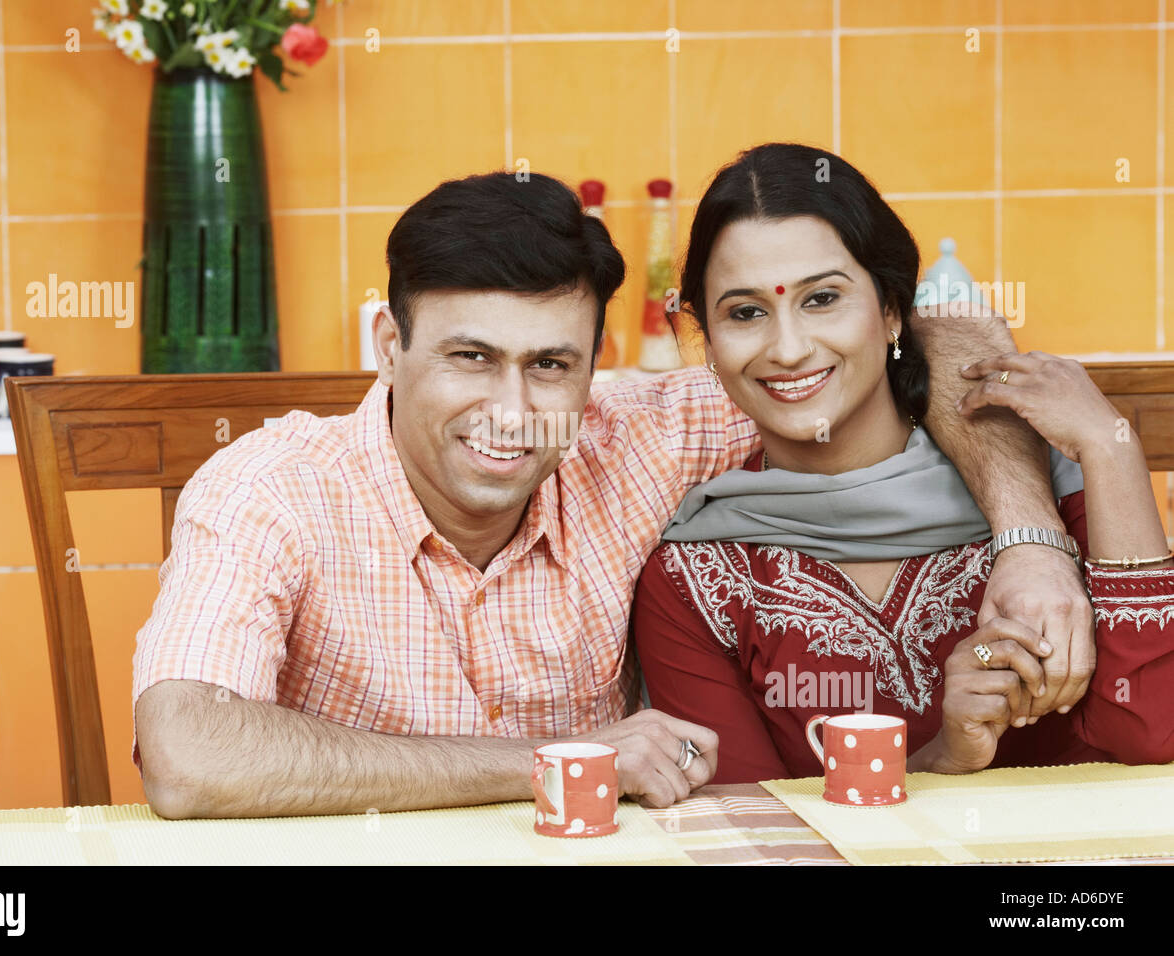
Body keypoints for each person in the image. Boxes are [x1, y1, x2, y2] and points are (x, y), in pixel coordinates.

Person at [133, 169, 1095, 819]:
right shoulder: (272, 489)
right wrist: (567, 757)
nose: (512, 413)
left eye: (551, 364)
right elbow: (187, 754)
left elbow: (936, 335)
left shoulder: (635, 438)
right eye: (471, 357)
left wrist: (1029, 541)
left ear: (595, 364)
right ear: (391, 346)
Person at [630, 143, 1174, 784]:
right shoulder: (694, 580)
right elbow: (752, 820)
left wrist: (1113, 448)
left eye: (822, 299)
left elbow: (1152, 731)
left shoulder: (1043, 496)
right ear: (707, 341)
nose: (789, 348)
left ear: (891, 308)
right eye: (746, 312)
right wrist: (938, 758)